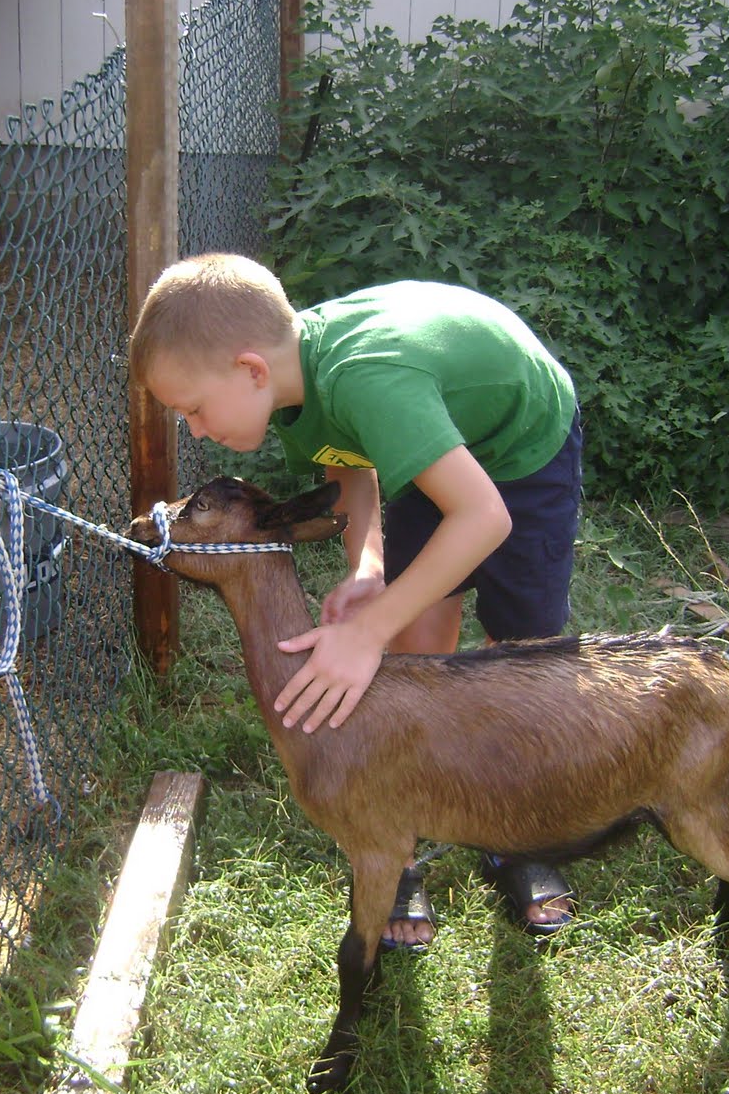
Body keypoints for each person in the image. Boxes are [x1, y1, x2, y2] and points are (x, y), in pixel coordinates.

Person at [129, 253, 584, 951]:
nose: (193, 429)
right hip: (433, 431)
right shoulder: (293, 389)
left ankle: (521, 837)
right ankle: (402, 847)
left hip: (524, 447)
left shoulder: (368, 381)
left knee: (523, 660)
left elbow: (485, 517)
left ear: (251, 370)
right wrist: (371, 570)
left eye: (192, 409)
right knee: (419, 637)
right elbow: (354, 465)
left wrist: (367, 630)